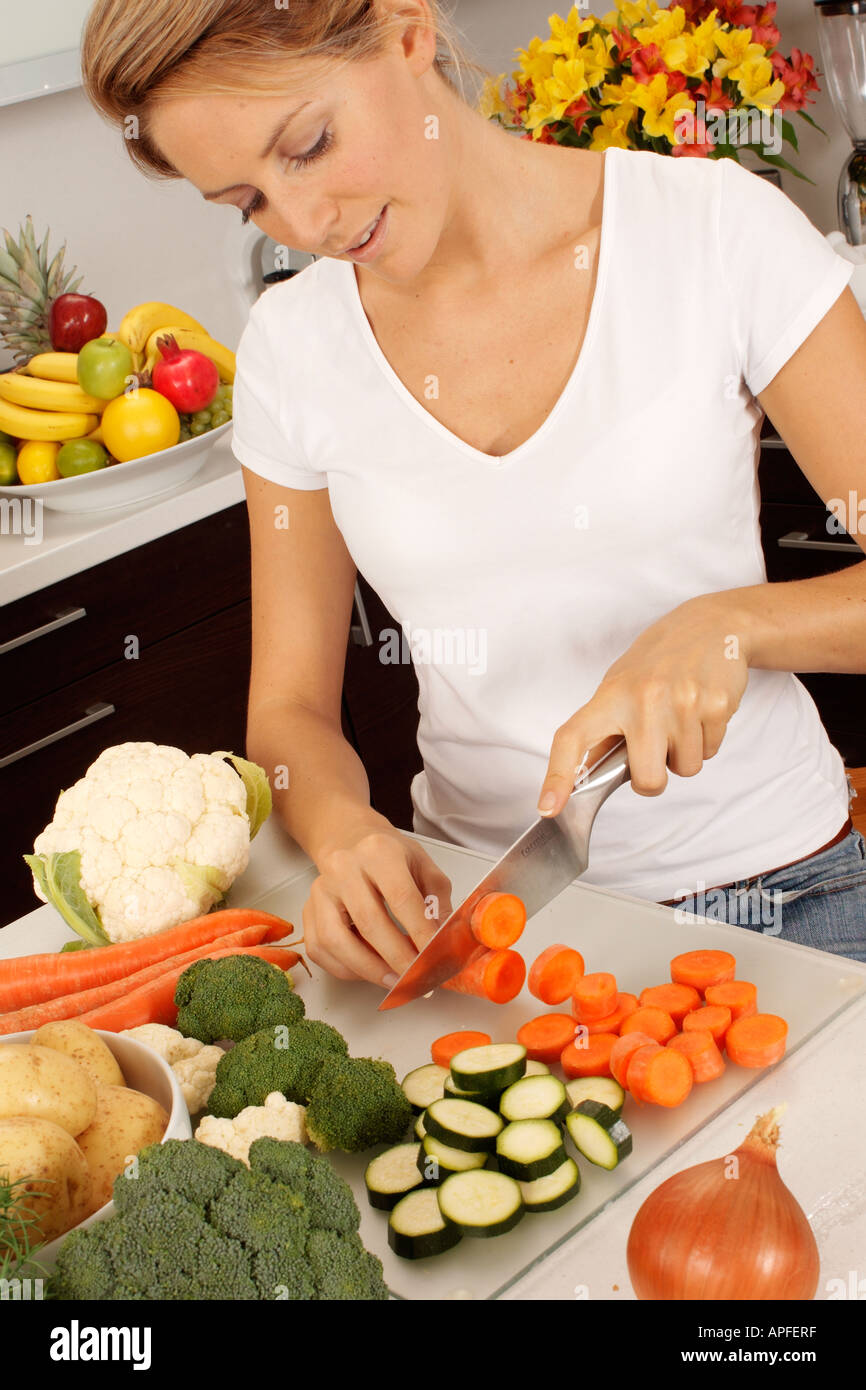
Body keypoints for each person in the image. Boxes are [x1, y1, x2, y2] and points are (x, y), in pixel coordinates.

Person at [81, 0, 866, 978]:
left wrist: (728, 624)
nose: (305, 223)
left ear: (407, 33)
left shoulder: (710, 231)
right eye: (248, 202)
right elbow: (288, 713)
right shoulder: (292, 349)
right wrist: (345, 837)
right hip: (483, 921)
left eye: (311, 144)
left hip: (780, 900)